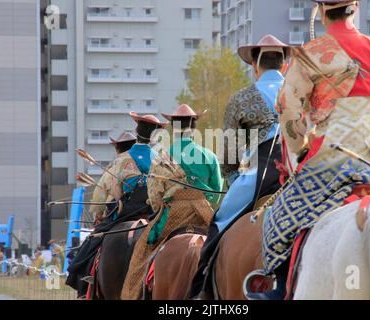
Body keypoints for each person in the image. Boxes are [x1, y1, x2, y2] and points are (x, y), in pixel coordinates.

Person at [262, 0, 370, 298]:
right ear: (354, 8)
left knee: (277, 224)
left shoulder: (308, 55)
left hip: (329, 150)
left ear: (321, 11)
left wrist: (302, 150)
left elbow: (289, 109)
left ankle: (276, 288)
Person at [189, 35, 290, 298]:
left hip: (259, 175)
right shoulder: (301, 92)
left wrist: (234, 179)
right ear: (284, 65)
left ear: (255, 65)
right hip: (299, 173)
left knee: (219, 223)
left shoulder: (242, 98)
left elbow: (229, 157)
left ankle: (200, 289)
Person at [121, 104, 223, 300]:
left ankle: (135, 293)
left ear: (174, 128)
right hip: (204, 215)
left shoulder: (161, 157)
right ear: (193, 127)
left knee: (142, 251)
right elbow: (217, 193)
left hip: (171, 216)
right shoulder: (209, 156)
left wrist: (165, 203)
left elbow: (154, 196)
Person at [66, 114, 167, 298]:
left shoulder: (121, 160)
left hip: (124, 215)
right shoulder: (160, 160)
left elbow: (101, 194)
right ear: (154, 135)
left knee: (89, 246)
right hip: (154, 216)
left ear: (137, 132)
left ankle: (84, 287)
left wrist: (99, 214)